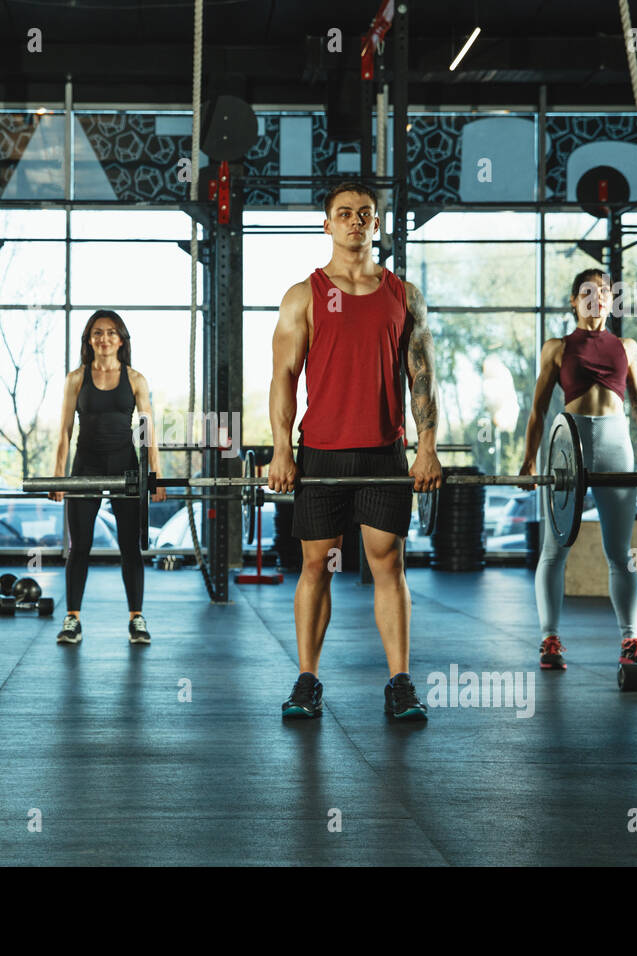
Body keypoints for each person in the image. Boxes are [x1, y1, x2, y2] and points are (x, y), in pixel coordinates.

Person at [269, 182, 441, 722]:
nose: (355, 222)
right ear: (327, 225)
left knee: (387, 564)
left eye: (365, 214)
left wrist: (427, 448)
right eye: (344, 214)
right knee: (315, 564)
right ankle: (307, 681)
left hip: (384, 454)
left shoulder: (403, 294)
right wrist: (281, 450)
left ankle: (400, 683)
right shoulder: (305, 294)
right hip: (320, 452)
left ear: (376, 224)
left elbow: (423, 376)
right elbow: (283, 378)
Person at [519, 268, 637, 671]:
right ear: (574, 301)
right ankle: (549, 640)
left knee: (621, 553)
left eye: (604, 291)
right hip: (568, 449)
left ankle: (631, 640)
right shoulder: (556, 348)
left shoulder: (627, 347)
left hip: (616, 448)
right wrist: (528, 460)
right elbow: (537, 411)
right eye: (588, 291)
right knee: (555, 550)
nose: (597, 297)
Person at [49, 310, 165, 645]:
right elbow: (64, 431)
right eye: (97, 333)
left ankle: (136, 618)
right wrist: (59, 478)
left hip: (125, 466)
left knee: (130, 546)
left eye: (111, 333)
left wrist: (153, 476)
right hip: (85, 466)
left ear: (121, 339)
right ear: (89, 339)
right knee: (79, 546)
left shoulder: (136, 379)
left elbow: (148, 432)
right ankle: (72, 619)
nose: (104, 338)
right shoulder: (76, 378)